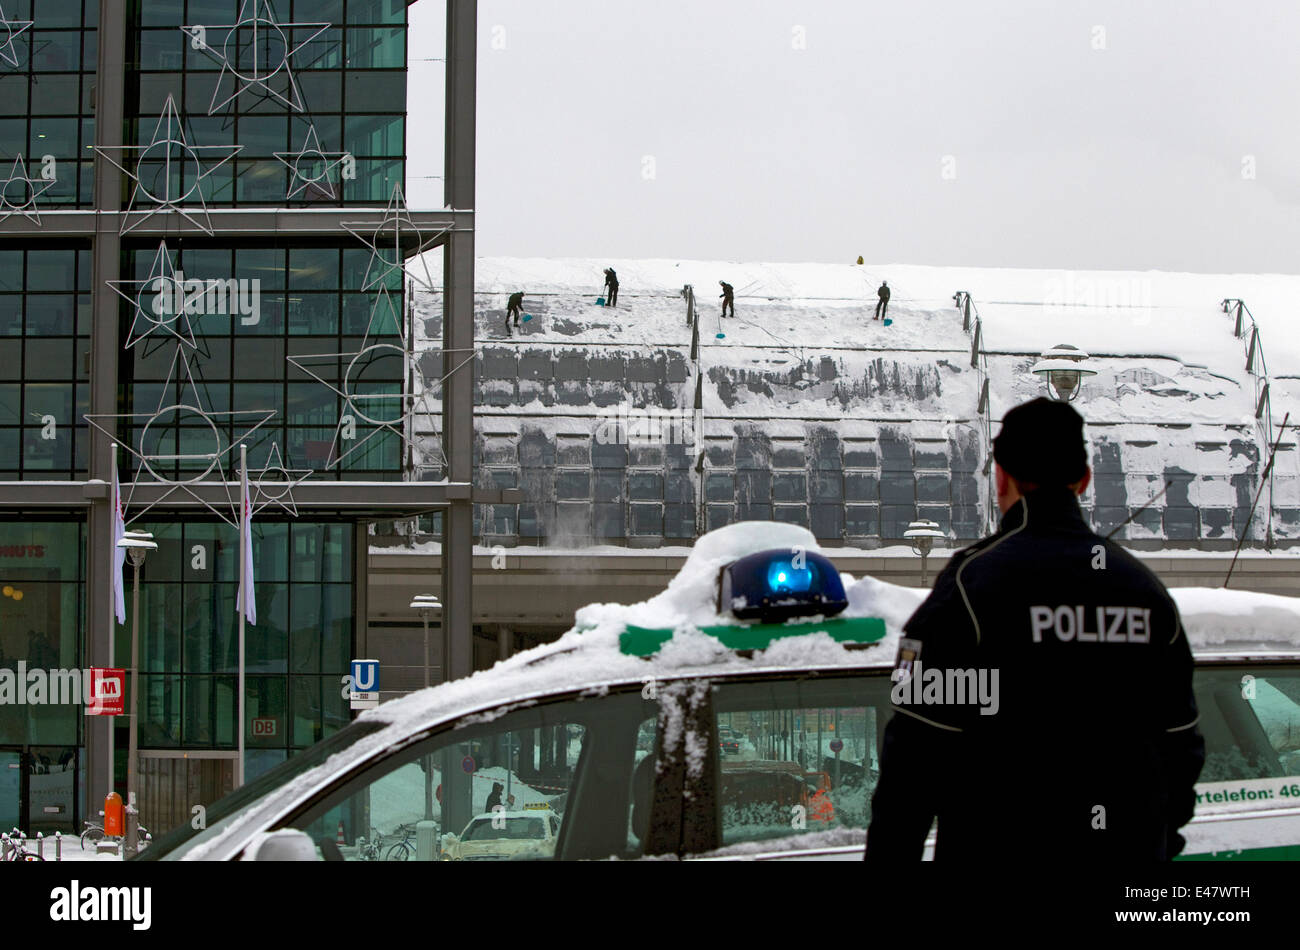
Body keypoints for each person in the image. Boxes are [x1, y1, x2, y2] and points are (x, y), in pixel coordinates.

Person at [865, 398, 1204, 862]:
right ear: (1083, 480)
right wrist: (1158, 838)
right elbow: (1180, 743)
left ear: (1000, 476)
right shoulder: (1144, 591)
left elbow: (915, 756)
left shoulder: (971, 586)